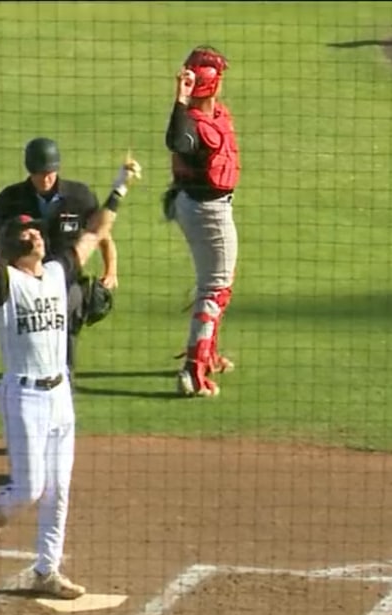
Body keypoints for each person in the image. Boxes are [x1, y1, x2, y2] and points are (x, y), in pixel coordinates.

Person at [0, 142, 141, 599]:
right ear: (15, 248)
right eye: (28, 235)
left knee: (59, 490)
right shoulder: (5, 286)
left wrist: (119, 186)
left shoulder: (58, 272)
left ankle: (47, 571)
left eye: (37, 234)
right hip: (24, 397)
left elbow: (95, 234)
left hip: (60, 395)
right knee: (29, 489)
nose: (37, 236)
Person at [0, 138, 119, 372]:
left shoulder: (79, 196)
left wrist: (111, 270)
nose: (46, 178)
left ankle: (64, 375)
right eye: (40, 173)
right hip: (26, 281)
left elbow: (101, 233)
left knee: (65, 323)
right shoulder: (8, 200)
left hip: (66, 274)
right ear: (30, 171)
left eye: (51, 172)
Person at [164, 45, 241, 398]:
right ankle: (193, 372)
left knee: (216, 282)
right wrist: (180, 100)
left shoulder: (215, 115)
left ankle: (206, 354)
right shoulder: (192, 126)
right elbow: (176, 140)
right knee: (216, 288)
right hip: (206, 211)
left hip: (199, 205)